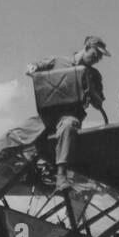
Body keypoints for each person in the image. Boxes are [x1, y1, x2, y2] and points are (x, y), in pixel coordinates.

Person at [25, 35, 110, 195]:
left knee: (68, 127)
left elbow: (99, 103)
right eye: (95, 54)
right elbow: (34, 66)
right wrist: (32, 68)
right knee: (20, 135)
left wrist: (91, 91)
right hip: (48, 115)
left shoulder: (95, 75)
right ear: (86, 47)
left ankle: (61, 176)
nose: (97, 59)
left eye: (100, 57)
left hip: (70, 116)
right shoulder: (57, 61)